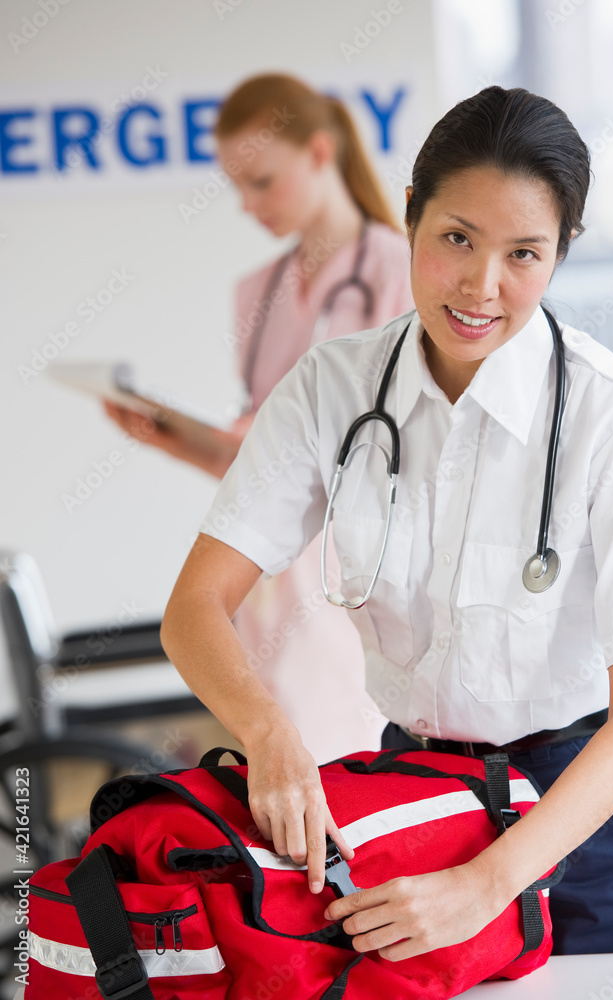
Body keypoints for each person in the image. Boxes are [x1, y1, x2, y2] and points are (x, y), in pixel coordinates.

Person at [160, 86, 613, 958]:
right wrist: (269, 734)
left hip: (601, 827)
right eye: (455, 237)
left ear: (562, 252)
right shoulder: (330, 391)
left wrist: (489, 884)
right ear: (411, 215)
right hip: (421, 796)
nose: (480, 287)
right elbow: (194, 607)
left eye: (523, 253)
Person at [105, 74, 414, 762]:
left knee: (349, 771)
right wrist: (182, 443)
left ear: (317, 153)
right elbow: (270, 462)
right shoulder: (257, 292)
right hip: (270, 574)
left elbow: (401, 444)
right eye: (236, 187)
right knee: (282, 764)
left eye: (261, 182)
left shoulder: (401, 274)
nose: (247, 206)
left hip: (358, 573)